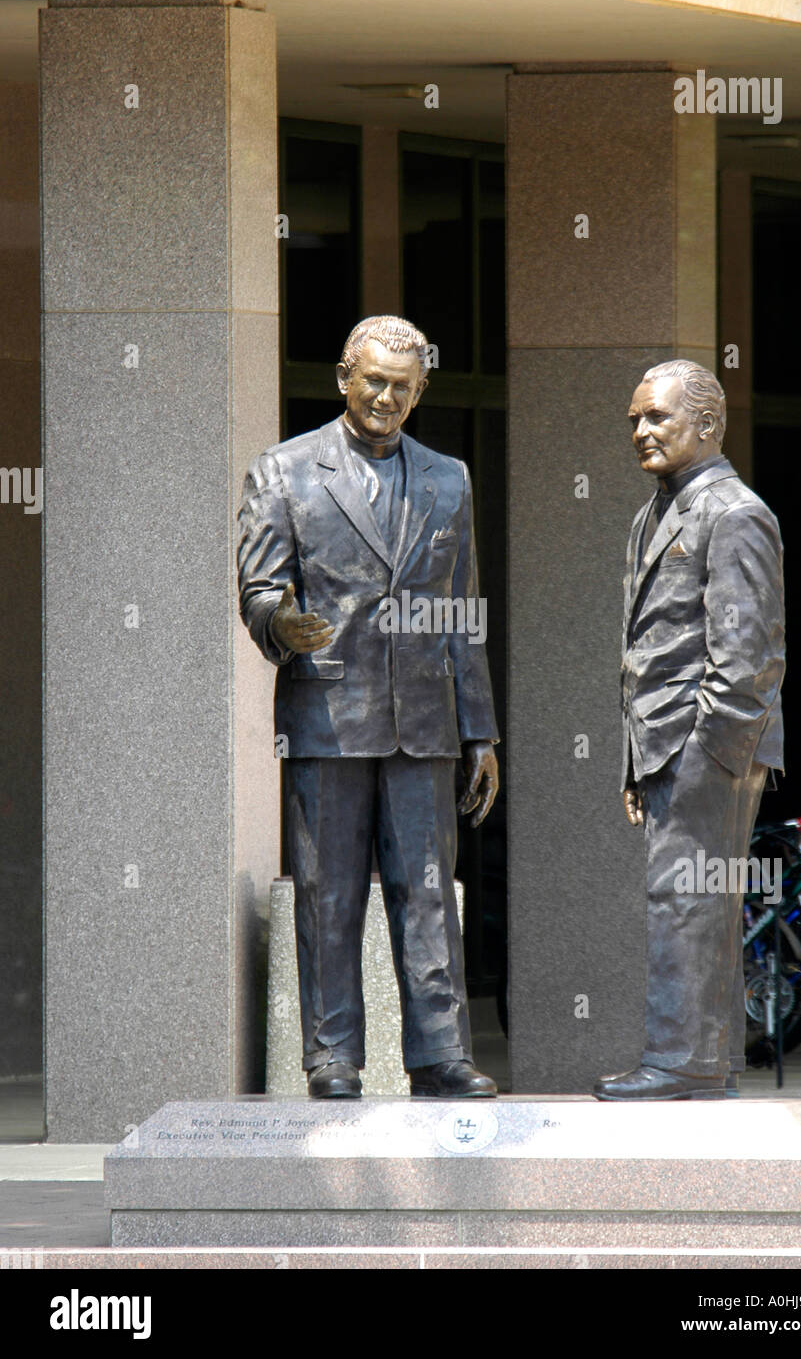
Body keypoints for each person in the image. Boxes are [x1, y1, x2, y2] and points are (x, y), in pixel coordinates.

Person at [237, 315, 499, 1099]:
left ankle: (441, 1054)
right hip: (328, 716)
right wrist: (280, 623)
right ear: (344, 378)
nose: (387, 397)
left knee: (428, 892)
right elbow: (257, 591)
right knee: (330, 895)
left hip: (426, 720)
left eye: (403, 386)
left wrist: (479, 727)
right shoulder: (283, 473)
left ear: (422, 390)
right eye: (374, 380)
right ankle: (332, 1057)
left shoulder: (449, 478)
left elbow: (462, 607)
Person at [594, 359, 785, 1102]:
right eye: (634, 419)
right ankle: (708, 1063)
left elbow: (749, 654)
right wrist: (636, 762)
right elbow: (644, 652)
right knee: (694, 901)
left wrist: (709, 755)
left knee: (690, 899)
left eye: (656, 418)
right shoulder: (659, 509)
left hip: (710, 748)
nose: (640, 431)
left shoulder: (734, 513)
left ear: (706, 424)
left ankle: (682, 1062)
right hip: (670, 746)